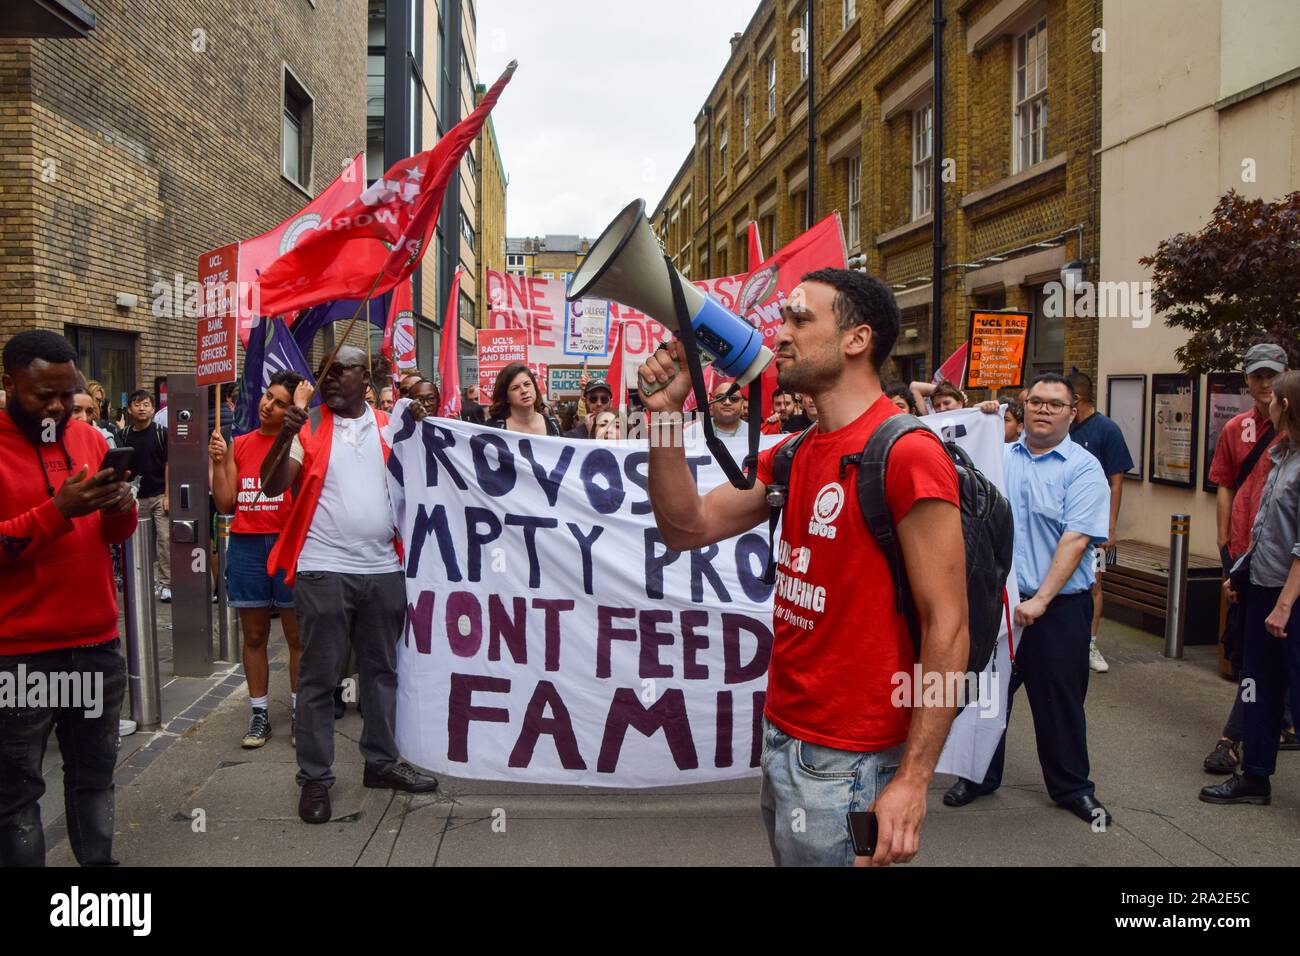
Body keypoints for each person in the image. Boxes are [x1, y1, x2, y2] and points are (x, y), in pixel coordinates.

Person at [640, 268, 967, 866]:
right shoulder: (793, 454)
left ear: (856, 339)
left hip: (858, 765)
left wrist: (914, 781)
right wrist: (664, 414)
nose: (780, 334)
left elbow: (948, 625)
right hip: (787, 739)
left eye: (799, 318)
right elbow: (685, 527)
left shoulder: (908, 453)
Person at [261, 345, 438, 824]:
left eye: (344, 371)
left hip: (384, 570)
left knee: (381, 674)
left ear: (367, 377)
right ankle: (315, 779)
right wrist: (284, 436)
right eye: (328, 371)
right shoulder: (310, 425)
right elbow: (272, 485)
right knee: (320, 679)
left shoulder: (387, 425)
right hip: (324, 569)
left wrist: (422, 417)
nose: (333, 378)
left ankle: (380, 763)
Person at [945, 373, 1113, 826]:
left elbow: (1076, 540)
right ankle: (977, 775)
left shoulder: (1083, 468)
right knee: (984, 696)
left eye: (1054, 404)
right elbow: (949, 464)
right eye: (1035, 401)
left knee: (1058, 700)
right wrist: (976, 423)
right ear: (1023, 407)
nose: (1043, 410)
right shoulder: (997, 458)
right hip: (996, 604)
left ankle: (1073, 787)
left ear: (1072, 411)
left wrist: (1039, 599)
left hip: (1056, 608)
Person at [0, 330, 137, 866]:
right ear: (10, 383)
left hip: (97, 643)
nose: (58, 405)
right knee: (16, 798)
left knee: (95, 783)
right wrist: (59, 511)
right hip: (19, 654)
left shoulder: (88, 439)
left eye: (67, 393)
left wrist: (119, 504)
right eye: (43, 395)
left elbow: (114, 535)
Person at [1201, 370, 1300, 805]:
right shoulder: (1283, 454)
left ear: (1287, 407)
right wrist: (1240, 574)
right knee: (1256, 685)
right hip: (1263, 587)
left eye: (1274, 399)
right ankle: (1255, 777)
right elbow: (1264, 530)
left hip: (1290, 598)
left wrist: (1284, 605)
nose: (1267, 405)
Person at [209, 370, 307, 749]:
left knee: (297, 635)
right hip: (247, 546)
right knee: (254, 635)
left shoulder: (299, 444)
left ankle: (300, 711)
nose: (268, 405)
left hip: (287, 545)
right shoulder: (239, 443)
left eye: (280, 403)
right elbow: (224, 503)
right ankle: (259, 714)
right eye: (267, 396)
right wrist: (218, 462)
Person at [1066, 370, 1134, 673]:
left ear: (1076, 399)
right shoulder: (1062, 428)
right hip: (1064, 525)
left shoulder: (1107, 430)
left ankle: (1090, 643)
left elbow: (1116, 482)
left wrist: (1109, 527)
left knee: (1095, 582)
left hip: (1095, 528)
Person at [121, 388, 171, 602]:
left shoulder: (161, 432)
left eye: (146, 404)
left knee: (165, 540)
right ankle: (140, 581)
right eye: (137, 404)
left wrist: (168, 494)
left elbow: (169, 464)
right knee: (136, 542)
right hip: (134, 497)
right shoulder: (123, 434)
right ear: (130, 409)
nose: (142, 408)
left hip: (159, 494)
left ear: (153, 409)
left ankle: (166, 583)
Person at [487, 362, 561, 436]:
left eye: (527, 384)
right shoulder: (493, 429)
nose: (524, 391)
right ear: (506, 397)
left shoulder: (553, 425)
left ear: (535, 387)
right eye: (515, 388)